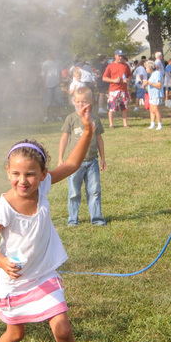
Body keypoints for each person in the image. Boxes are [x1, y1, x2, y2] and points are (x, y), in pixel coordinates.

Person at [0, 102, 101, 342]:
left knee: (62, 327)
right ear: (8, 172)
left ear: (43, 175)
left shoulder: (44, 187)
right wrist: (2, 262)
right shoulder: (3, 206)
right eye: (17, 174)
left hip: (43, 274)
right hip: (14, 282)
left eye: (31, 174)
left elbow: (73, 163)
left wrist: (87, 130)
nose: (23, 181)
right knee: (15, 333)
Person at [58, 87, 106, 226]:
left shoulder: (95, 120)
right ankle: (73, 219)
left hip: (92, 162)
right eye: (78, 102)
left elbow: (99, 140)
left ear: (91, 101)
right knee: (74, 192)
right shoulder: (71, 119)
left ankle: (97, 219)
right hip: (74, 164)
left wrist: (103, 158)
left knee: (94, 191)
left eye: (84, 102)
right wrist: (61, 158)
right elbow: (64, 139)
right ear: (74, 101)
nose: (80, 104)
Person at [102, 49, 131, 128]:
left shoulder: (126, 65)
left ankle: (125, 124)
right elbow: (104, 78)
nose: (120, 57)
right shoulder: (110, 66)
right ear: (115, 56)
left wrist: (128, 79)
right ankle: (111, 124)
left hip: (123, 90)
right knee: (112, 108)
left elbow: (129, 75)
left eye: (121, 56)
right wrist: (113, 80)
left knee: (124, 107)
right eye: (119, 56)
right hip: (113, 90)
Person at [41, 52, 64, 122]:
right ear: (49, 54)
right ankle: (46, 116)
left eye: (55, 53)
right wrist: (44, 85)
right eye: (52, 53)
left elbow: (60, 72)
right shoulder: (45, 64)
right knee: (47, 101)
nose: (54, 55)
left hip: (56, 84)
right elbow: (43, 75)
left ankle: (59, 116)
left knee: (58, 100)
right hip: (48, 84)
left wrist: (60, 80)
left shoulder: (58, 63)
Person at [144, 60, 163, 130]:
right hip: (151, 95)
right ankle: (152, 124)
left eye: (146, 68)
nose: (146, 69)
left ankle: (160, 124)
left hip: (156, 94)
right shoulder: (152, 74)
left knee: (156, 110)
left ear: (150, 67)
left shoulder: (157, 73)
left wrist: (149, 83)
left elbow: (159, 85)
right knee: (151, 109)